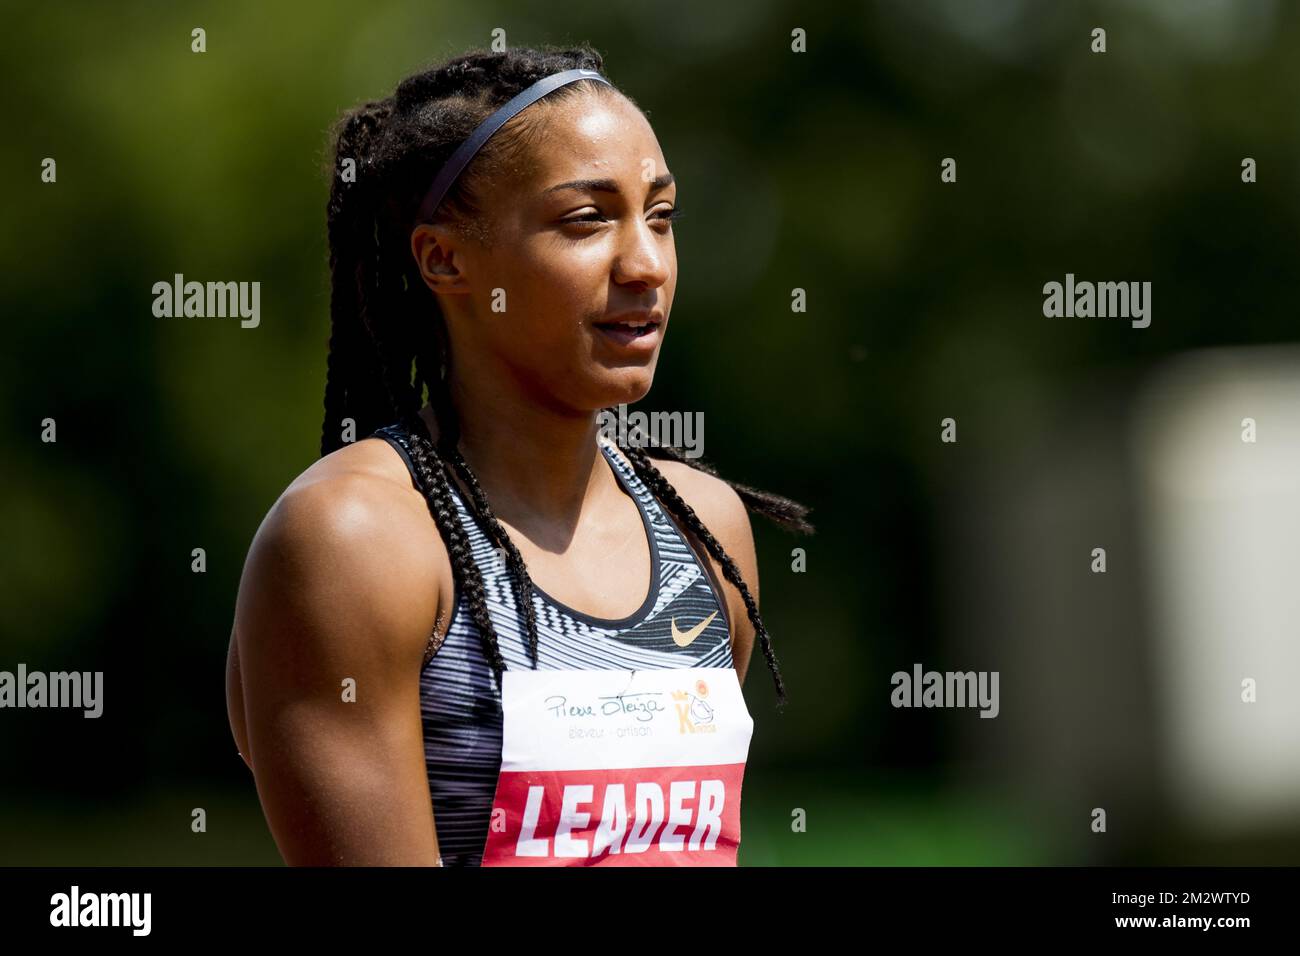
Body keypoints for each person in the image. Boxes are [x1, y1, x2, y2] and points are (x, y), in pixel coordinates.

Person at [225, 44, 813, 866]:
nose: (645, 264)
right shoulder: (356, 541)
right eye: (586, 220)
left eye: (662, 215)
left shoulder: (704, 530)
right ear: (445, 259)